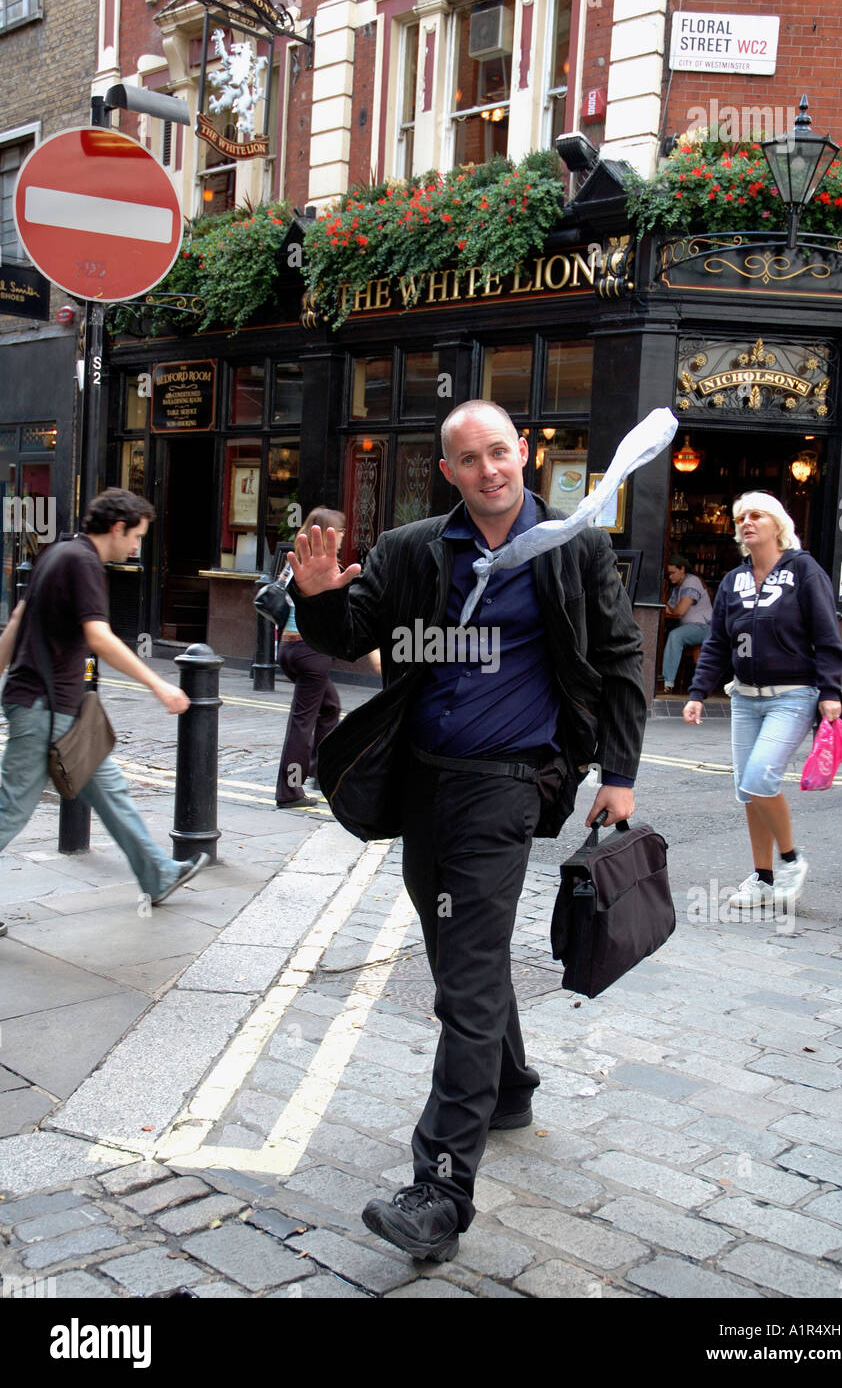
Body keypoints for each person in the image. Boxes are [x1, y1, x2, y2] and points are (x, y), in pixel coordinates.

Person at [287, 398, 646, 1261]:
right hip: (424, 781)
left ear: (523, 453)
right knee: (459, 954)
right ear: (446, 472)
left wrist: (622, 775)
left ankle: (440, 1190)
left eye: (500, 452)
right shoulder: (416, 550)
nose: (489, 469)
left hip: (511, 782)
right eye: (469, 459)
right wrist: (315, 598)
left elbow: (621, 658)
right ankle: (510, 1086)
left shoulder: (575, 549)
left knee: (469, 969)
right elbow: (349, 631)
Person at [0, 488, 209, 939]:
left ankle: (157, 875)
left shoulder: (58, 553)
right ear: (117, 528)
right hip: (44, 707)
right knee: (10, 810)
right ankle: (157, 874)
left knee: (112, 794)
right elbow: (100, 636)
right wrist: (158, 684)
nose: (137, 547)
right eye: (136, 537)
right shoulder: (83, 563)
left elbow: (17, 621)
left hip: (57, 707)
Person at [683, 491, 842, 911]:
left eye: (756, 515)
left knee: (759, 779)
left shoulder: (804, 571)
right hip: (745, 698)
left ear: (777, 524)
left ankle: (791, 861)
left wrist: (830, 691)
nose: (746, 523)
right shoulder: (733, 581)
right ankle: (763, 877)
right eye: (740, 518)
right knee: (749, 790)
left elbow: (828, 635)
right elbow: (717, 642)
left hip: (792, 696)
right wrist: (698, 692)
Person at [274, 507, 346, 809]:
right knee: (302, 721)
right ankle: (289, 791)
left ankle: (319, 769)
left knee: (330, 708)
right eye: (340, 531)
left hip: (288, 649)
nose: (343, 537)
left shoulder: (293, 561)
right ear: (329, 532)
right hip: (310, 650)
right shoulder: (326, 567)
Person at [661, 553, 712, 692]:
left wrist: (671, 609)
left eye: (672, 573)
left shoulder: (691, 581)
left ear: (682, 569)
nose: (670, 576)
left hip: (704, 626)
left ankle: (667, 683)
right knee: (665, 635)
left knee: (675, 636)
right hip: (690, 627)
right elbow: (670, 610)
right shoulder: (677, 587)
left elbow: (679, 611)